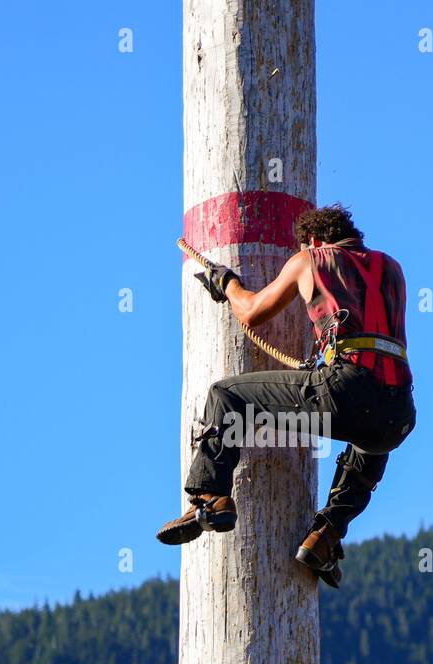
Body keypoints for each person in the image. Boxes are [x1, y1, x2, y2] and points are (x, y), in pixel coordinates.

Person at [157, 204, 415, 588]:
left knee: (227, 395)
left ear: (313, 239)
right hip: (400, 409)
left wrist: (226, 283)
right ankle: (326, 535)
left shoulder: (309, 258)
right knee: (370, 445)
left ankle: (211, 496)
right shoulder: (393, 268)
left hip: (345, 386)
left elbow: (251, 312)